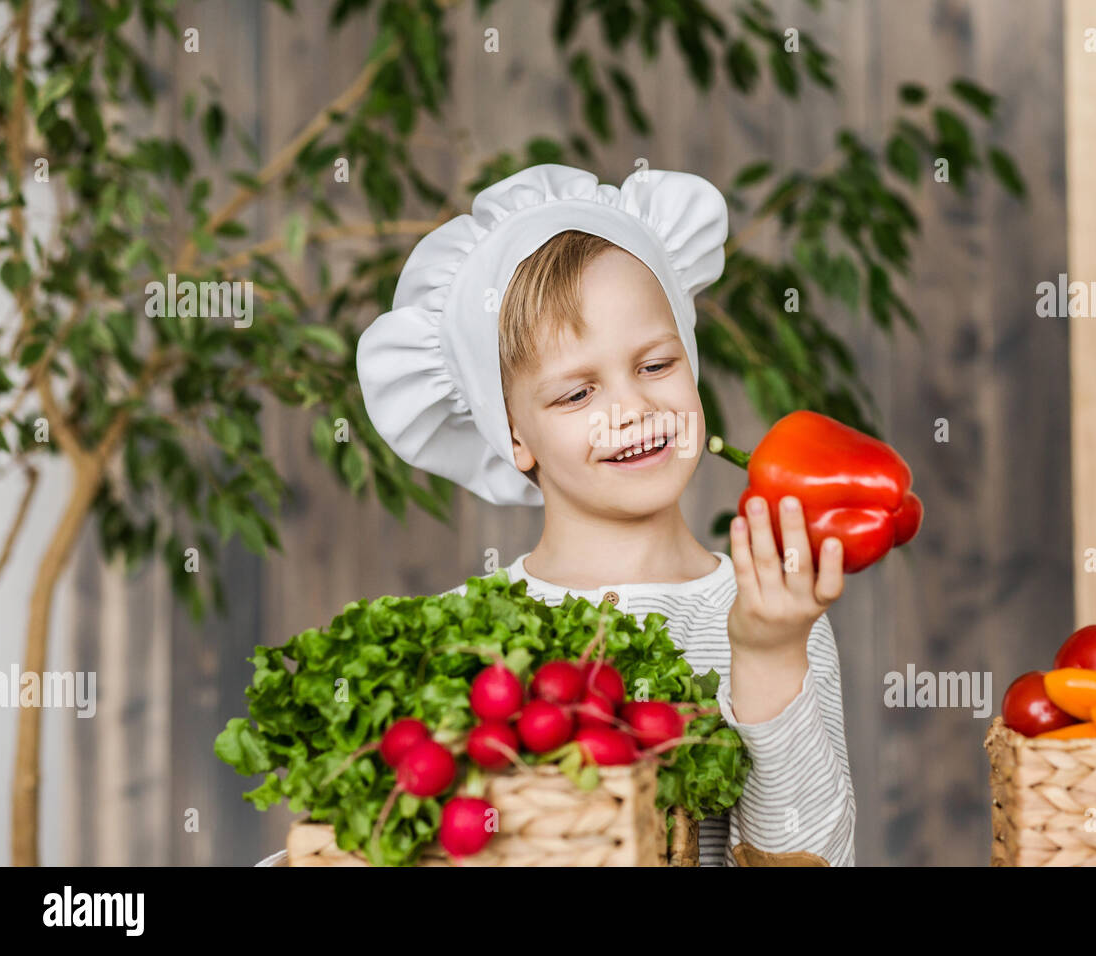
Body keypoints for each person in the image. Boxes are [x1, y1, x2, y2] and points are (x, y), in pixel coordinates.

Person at [356, 164, 856, 866]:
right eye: (575, 394)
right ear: (513, 438)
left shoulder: (771, 613)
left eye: (656, 365)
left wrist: (769, 658)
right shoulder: (466, 644)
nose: (634, 410)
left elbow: (815, 860)